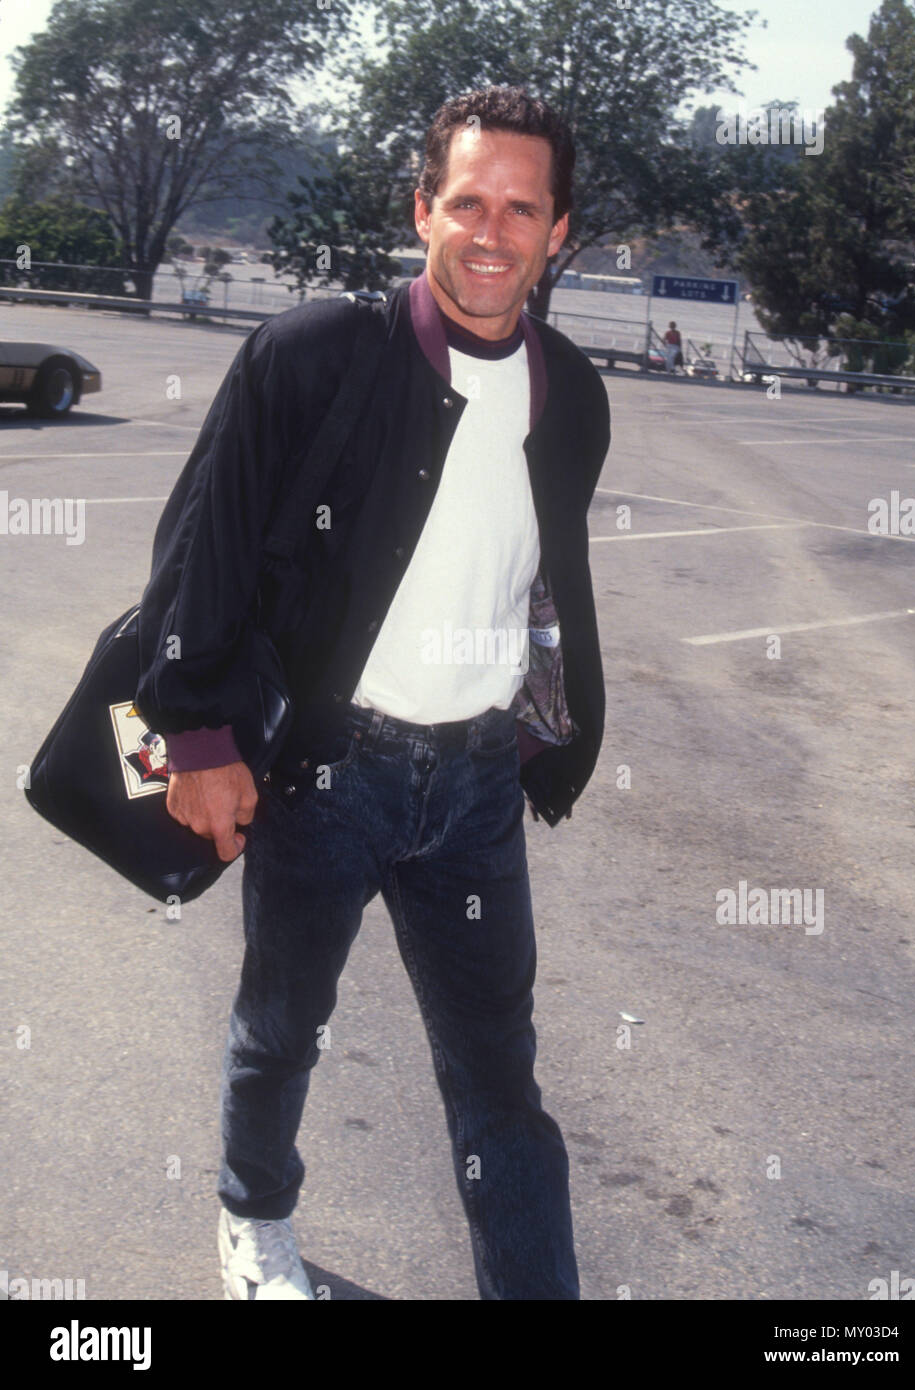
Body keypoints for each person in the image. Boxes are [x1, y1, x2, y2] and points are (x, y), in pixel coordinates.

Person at [134, 85, 611, 1301]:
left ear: (559, 232)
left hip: (474, 786)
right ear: (422, 212)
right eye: (467, 202)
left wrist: (549, 732)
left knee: (499, 1075)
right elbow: (206, 545)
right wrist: (194, 732)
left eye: (522, 207)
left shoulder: (575, 394)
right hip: (324, 771)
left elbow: (545, 580)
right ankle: (253, 1216)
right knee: (281, 1025)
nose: (491, 232)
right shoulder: (313, 351)